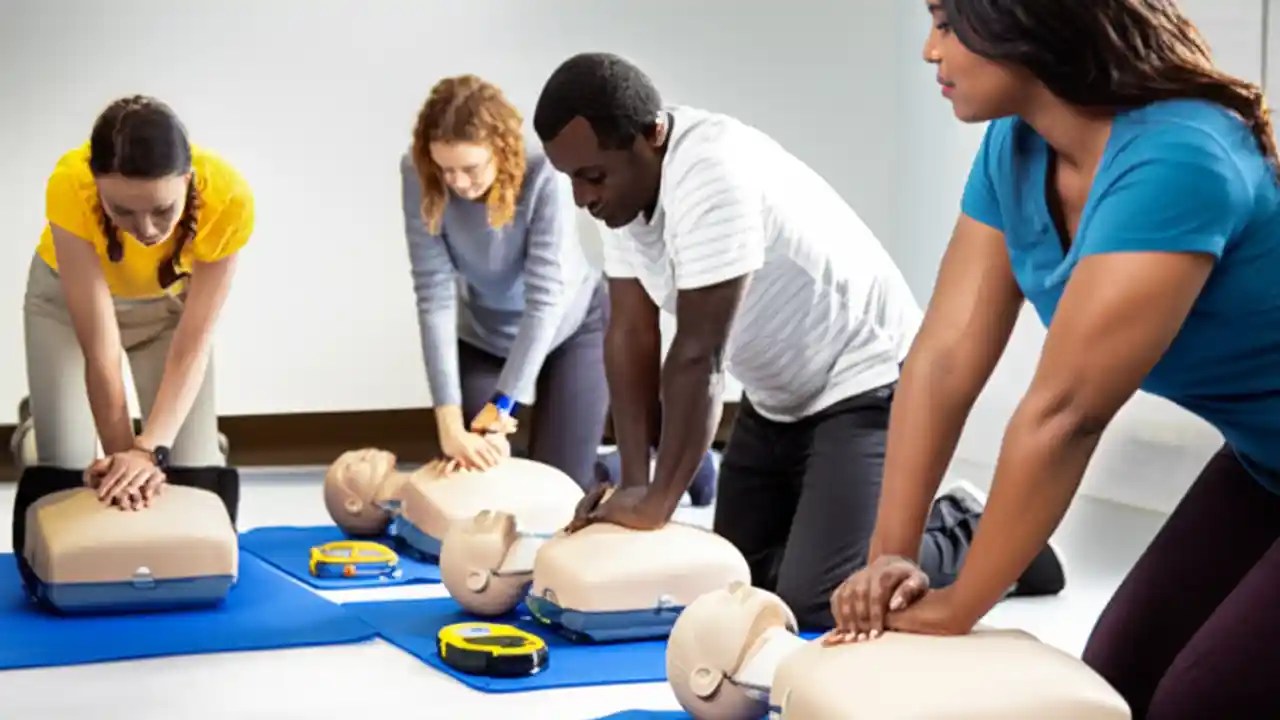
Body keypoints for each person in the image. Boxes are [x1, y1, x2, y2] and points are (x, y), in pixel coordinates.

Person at [830, 1, 1280, 717]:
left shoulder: (1179, 154)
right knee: (1112, 681)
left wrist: (961, 602)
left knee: (1202, 702)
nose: (928, 49)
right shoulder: (1015, 147)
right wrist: (892, 559)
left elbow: (1067, 414)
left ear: (1023, 20)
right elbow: (943, 360)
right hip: (1264, 464)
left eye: (948, 23)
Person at [531, 52, 1064, 628]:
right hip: (776, 398)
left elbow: (697, 354)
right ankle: (844, 537)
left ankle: (970, 530)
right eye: (571, 180)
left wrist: (657, 504)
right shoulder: (625, 196)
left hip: (868, 385)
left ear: (651, 135)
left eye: (592, 177)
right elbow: (631, 334)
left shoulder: (710, 171)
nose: (583, 198)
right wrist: (632, 487)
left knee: (816, 599)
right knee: (738, 581)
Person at [19, 94, 252, 512]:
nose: (145, 229)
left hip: (165, 315)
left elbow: (193, 341)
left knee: (193, 473)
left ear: (187, 180)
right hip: (66, 313)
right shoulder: (70, 183)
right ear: (97, 186)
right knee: (67, 470)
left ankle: (201, 441)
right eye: (121, 211)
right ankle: (36, 434)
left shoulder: (229, 198)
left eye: (163, 211)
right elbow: (102, 354)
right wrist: (121, 465)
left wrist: (148, 451)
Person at [401, 74, 609, 490]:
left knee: (562, 487)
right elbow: (434, 297)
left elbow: (545, 300)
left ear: (501, 150)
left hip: (572, 326)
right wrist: (448, 421)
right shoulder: (416, 172)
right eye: (446, 170)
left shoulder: (542, 171)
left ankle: (627, 469)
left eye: (470, 168)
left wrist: (502, 407)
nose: (457, 182)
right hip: (486, 336)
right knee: (476, 471)